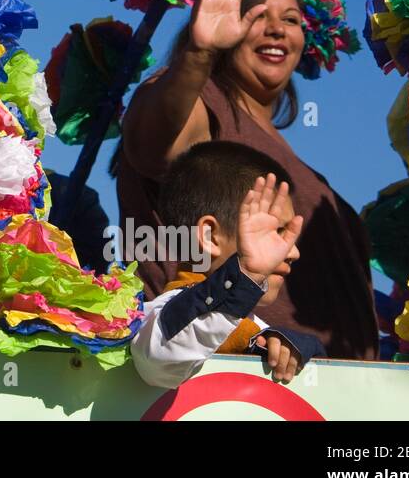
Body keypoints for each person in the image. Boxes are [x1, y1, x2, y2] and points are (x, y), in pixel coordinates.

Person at [117, 0, 377, 360]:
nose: (276, 29)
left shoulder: (307, 172)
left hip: (334, 390)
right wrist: (198, 55)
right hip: (232, 379)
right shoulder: (202, 100)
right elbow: (152, 147)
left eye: (291, 20)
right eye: (258, 15)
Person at [132, 141, 324, 388]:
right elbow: (159, 361)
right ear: (210, 236)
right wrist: (244, 276)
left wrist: (296, 350)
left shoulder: (260, 331)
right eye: (276, 232)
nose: (293, 252)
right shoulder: (160, 317)